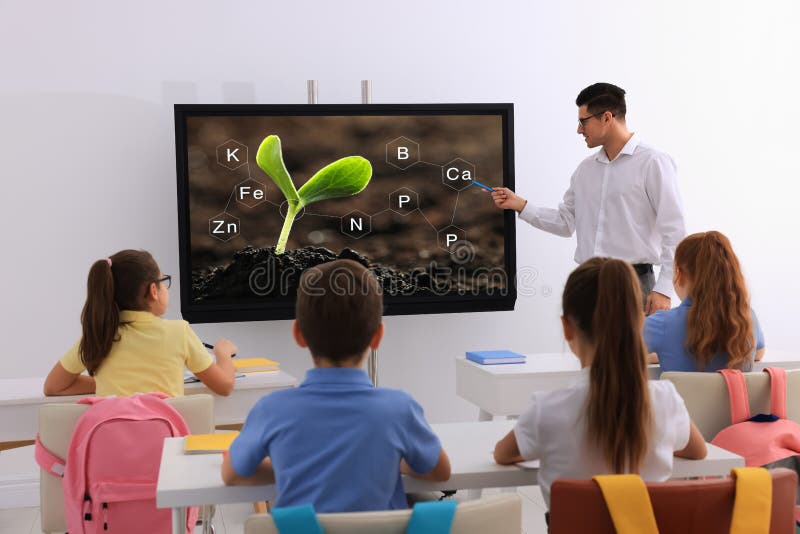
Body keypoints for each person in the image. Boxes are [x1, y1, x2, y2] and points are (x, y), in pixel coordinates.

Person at [221, 259, 450, 512]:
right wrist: (387, 460)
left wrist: (295, 465)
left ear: (298, 334)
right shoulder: (399, 409)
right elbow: (439, 472)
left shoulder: (271, 409)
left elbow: (232, 474)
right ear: (378, 336)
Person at [493, 257, 706, 512]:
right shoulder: (665, 400)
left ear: (567, 328)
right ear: (639, 323)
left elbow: (502, 455)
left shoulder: (546, 410)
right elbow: (697, 451)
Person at [490, 83, 685, 314]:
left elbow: (674, 230)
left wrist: (664, 288)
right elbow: (565, 222)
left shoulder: (653, 162)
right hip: (588, 285)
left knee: (633, 351)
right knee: (588, 352)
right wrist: (520, 205)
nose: (579, 130)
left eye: (583, 121)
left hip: (634, 285)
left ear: (606, 118)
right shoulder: (586, 170)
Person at [43, 249, 236, 397]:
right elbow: (224, 386)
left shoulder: (98, 335)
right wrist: (223, 354)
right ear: (153, 290)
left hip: (113, 448)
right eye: (163, 281)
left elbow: (53, 387)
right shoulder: (179, 332)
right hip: (166, 447)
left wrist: (107, 383)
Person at [644, 231, 765, 372]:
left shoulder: (661, 324)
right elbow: (758, 353)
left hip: (682, 395)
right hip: (734, 395)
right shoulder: (748, 317)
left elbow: (620, 350)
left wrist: (662, 351)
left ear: (681, 275)